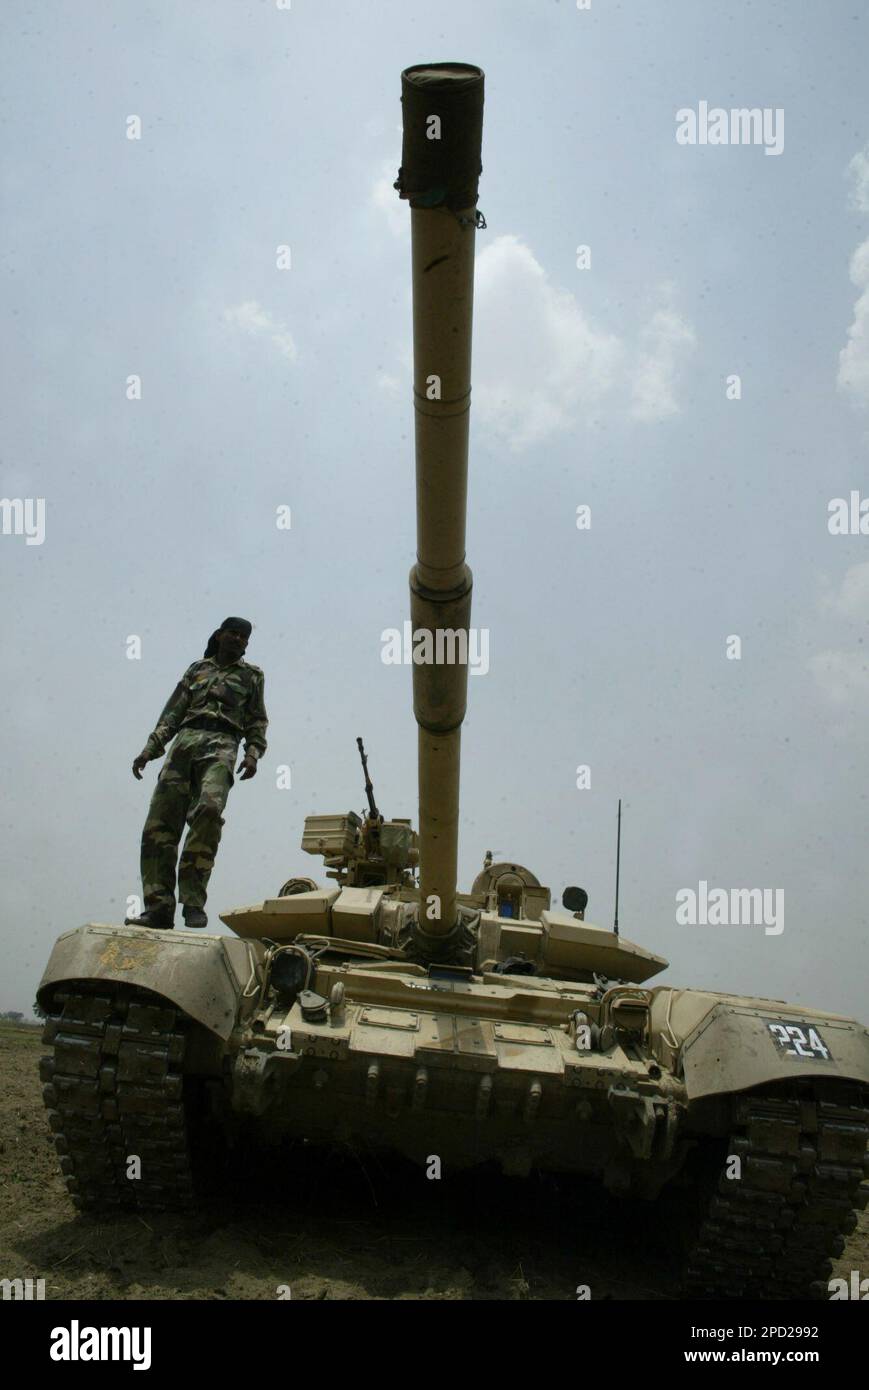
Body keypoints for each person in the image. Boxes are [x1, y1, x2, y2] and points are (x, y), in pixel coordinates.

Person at [126, 617, 268, 930]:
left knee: (209, 809)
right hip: (184, 743)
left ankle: (192, 901)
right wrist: (150, 750)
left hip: (222, 744)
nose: (239, 640)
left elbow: (257, 720)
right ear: (219, 635)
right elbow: (173, 713)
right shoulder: (197, 670)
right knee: (159, 827)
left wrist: (253, 753)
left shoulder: (252, 676)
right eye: (233, 634)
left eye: (245, 637)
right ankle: (159, 908)